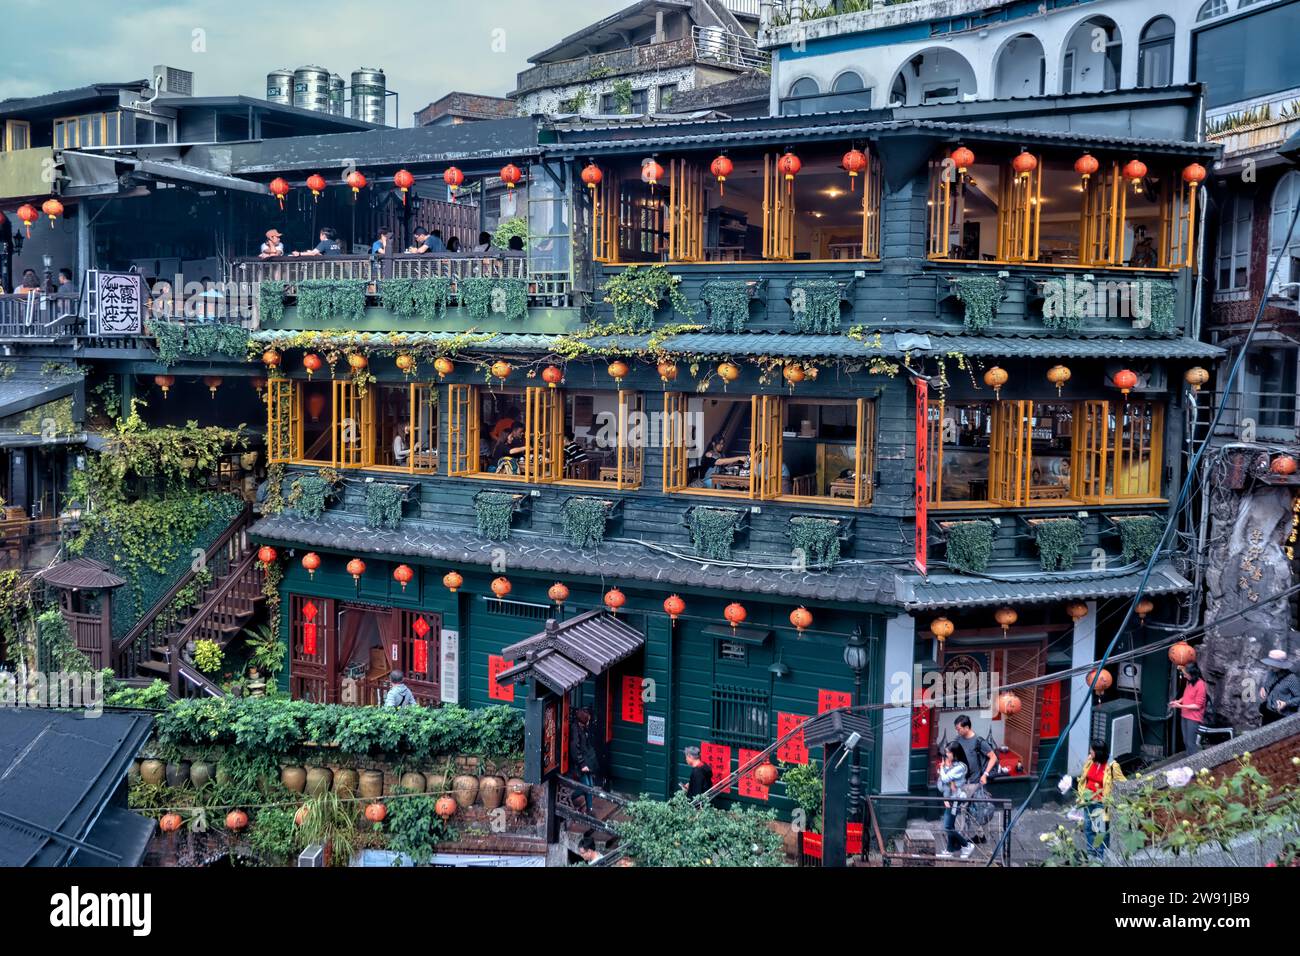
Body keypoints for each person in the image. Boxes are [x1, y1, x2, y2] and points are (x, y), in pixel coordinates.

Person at [1076, 740, 1124, 860]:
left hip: (1100, 802)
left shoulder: (1112, 766)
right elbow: (1084, 777)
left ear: (1097, 752)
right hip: (1087, 800)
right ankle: (1091, 852)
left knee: (1100, 829)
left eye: (1091, 750)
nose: (1090, 752)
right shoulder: (1090, 761)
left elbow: (1123, 782)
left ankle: (1101, 855)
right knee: (1088, 827)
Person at [937, 741, 975, 859]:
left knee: (948, 826)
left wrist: (943, 768)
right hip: (951, 798)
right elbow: (942, 784)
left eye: (948, 752)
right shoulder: (954, 765)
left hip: (956, 800)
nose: (946, 754)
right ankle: (949, 850)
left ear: (955, 753)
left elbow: (945, 778)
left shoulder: (960, 767)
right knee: (950, 825)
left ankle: (967, 845)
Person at [1169, 661, 1207, 754]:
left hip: (1193, 718)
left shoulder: (1201, 685)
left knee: (1191, 743)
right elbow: (1187, 695)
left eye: (1186, 674)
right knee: (1186, 741)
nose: (1184, 676)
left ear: (1192, 675)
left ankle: (1194, 762)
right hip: (1185, 715)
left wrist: (1180, 706)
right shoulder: (1189, 682)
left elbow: (1197, 705)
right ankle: (1189, 760)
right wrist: (1179, 701)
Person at [952, 714, 998, 788]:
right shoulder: (958, 739)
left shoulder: (979, 741)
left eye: (959, 729)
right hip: (960, 781)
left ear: (966, 727)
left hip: (975, 783)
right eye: (956, 729)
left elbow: (993, 757)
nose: (957, 731)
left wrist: (985, 774)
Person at [570, 708, 600, 814]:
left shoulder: (583, 728)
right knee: (585, 787)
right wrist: (582, 764)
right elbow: (575, 749)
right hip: (579, 764)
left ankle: (590, 809)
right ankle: (570, 797)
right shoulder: (575, 729)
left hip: (585, 761)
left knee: (589, 785)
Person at [1259, 649, 1300, 725]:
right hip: (1268, 712)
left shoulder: (1291, 678)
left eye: (1273, 664)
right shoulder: (1271, 672)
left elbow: (1298, 697)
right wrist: (1263, 688)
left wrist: (1286, 703)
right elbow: (1268, 683)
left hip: (1281, 716)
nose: (1271, 666)